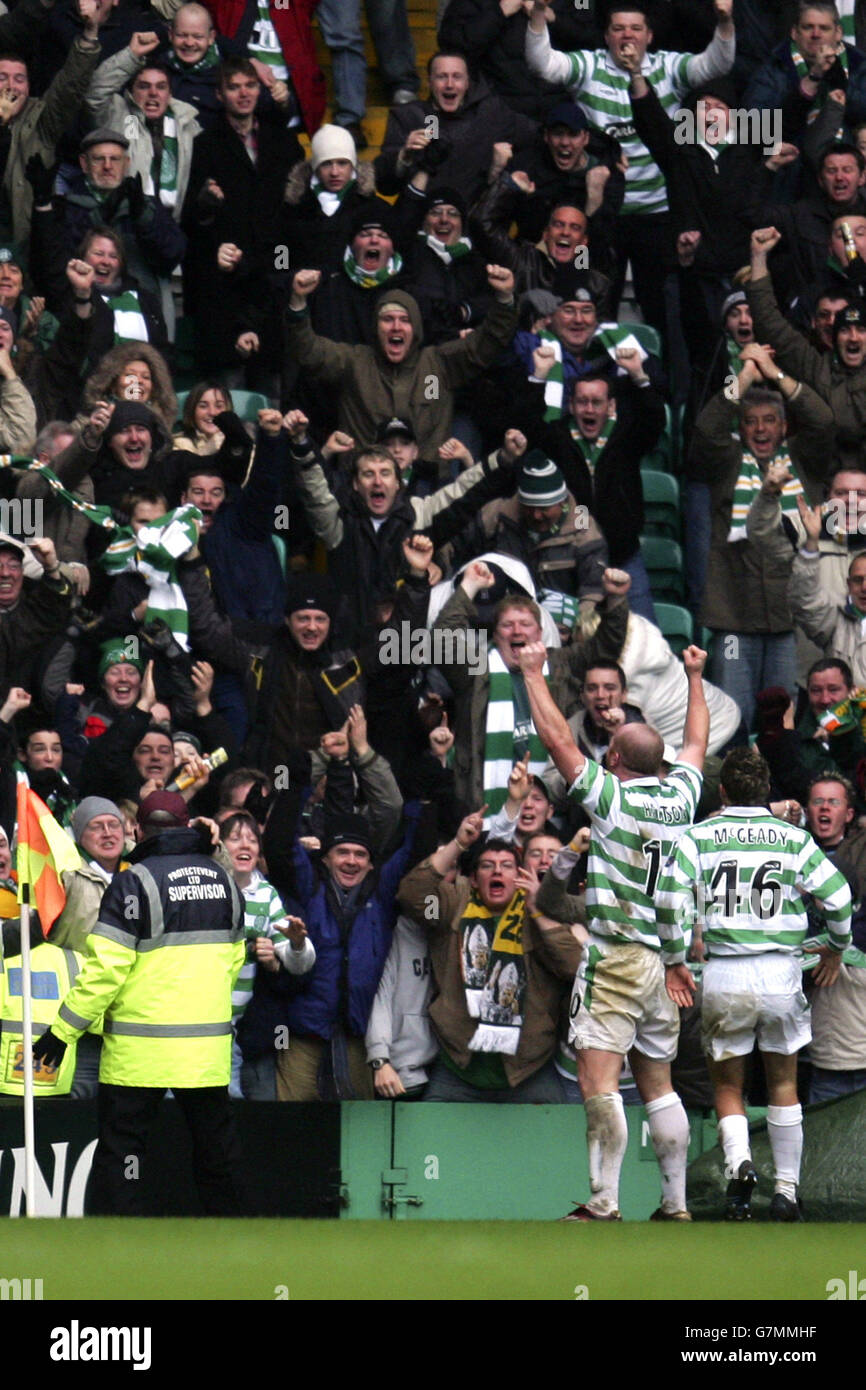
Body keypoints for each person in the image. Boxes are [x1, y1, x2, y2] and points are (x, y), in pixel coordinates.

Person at [520, 637, 710, 1220]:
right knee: (660, 1083)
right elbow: (697, 741)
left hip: (617, 956)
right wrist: (694, 677)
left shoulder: (611, 797)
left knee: (597, 1080)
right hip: (666, 964)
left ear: (617, 761)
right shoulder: (682, 794)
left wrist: (532, 672)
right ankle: (674, 1204)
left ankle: (604, 1200)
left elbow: (556, 740)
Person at [658, 746, 852, 1221]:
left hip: (725, 971)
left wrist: (674, 959)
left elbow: (667, 901)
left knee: (728, 1084)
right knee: (783, 1079)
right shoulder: (792, 837)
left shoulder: (698, 836)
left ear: (722, 791)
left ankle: (739, 1168)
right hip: (780, 970)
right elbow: (840, 898)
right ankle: (786, 1190)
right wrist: (835, 947)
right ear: (766, 791)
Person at [32, 789, 246, 1215]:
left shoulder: (134, 882)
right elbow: (234, 959)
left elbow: (105, 971)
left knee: (124, 1157)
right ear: (188, 825)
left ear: (136, 830)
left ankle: (117, 1248)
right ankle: (233, 1244)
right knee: (216, 1154)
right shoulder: (225, 880)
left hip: (138, 1053)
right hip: (205, 1053)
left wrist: (61, 1032)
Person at [523, 0, 735, 328]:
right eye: (618, 28)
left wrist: (724, 22)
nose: (627, 36)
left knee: (658, 311)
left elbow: (716, 65)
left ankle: (652, 378)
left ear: (649, 36)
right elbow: (543, 65)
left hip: (658, 215)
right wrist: (538, 14)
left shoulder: (668, 67)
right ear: (606, 36)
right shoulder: (589, 66)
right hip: (603, 216)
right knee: (592, 301)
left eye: (636, 29)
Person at [397, 819, 581, 1101]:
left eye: (507, 866)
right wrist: (458, 844)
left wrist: (537, 910)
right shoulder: (447, 908)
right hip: (459, 1067)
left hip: (527, 1069)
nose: (497, 871)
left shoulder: (542, 911)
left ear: (519, 875)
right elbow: (415, 895)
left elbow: (572, 967)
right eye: (487, 865)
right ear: (473, 879)